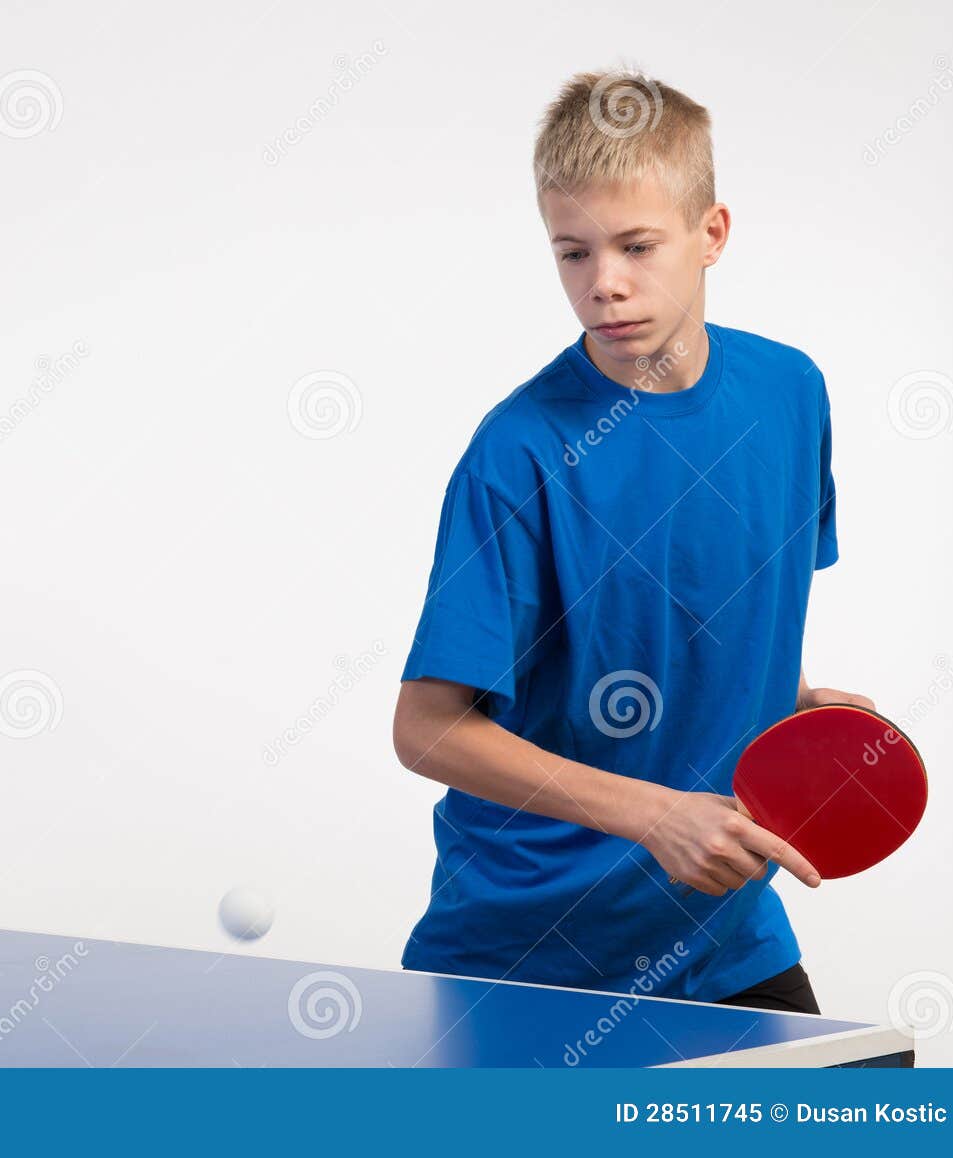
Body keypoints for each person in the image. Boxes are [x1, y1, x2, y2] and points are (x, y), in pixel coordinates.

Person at [391, 69, 875, 1020]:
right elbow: (428, 727)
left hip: (722, 936)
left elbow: (715, 606)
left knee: (871, 1117)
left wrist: (792, 695)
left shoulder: (791, 395)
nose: (603, 283)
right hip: (525, 953)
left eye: (637, 245)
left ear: (712, 234)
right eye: (572, 253)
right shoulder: (517, 451)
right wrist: (657, 813)